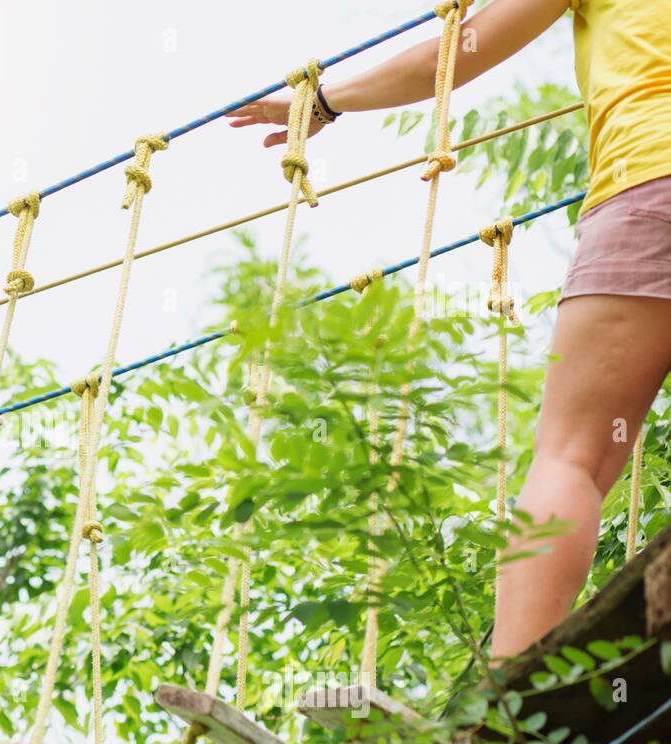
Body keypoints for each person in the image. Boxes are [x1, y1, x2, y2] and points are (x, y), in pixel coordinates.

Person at [228, 0, 671, 662]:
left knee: (571, 457)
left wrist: (325, 98)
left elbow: (463, 47)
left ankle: (513, 700)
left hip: (648, 178)